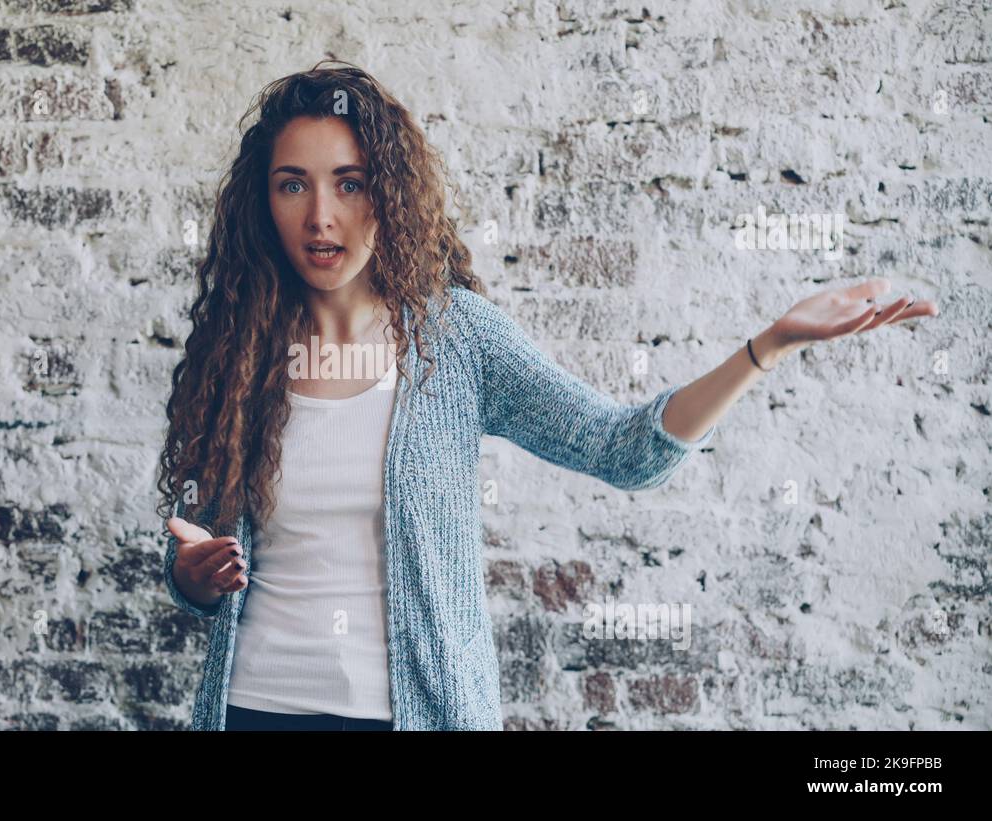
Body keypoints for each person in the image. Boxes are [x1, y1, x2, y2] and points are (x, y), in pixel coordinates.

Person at [153, 61, 939, 732]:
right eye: (294, 185)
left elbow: (621, 449)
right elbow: (191, 560)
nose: (321, 216)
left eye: (348, 184)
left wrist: (766, 348)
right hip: (252, 706)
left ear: (387, 194)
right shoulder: (241, 350)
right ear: (266, 201)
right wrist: (193, 574)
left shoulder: (455, 339)